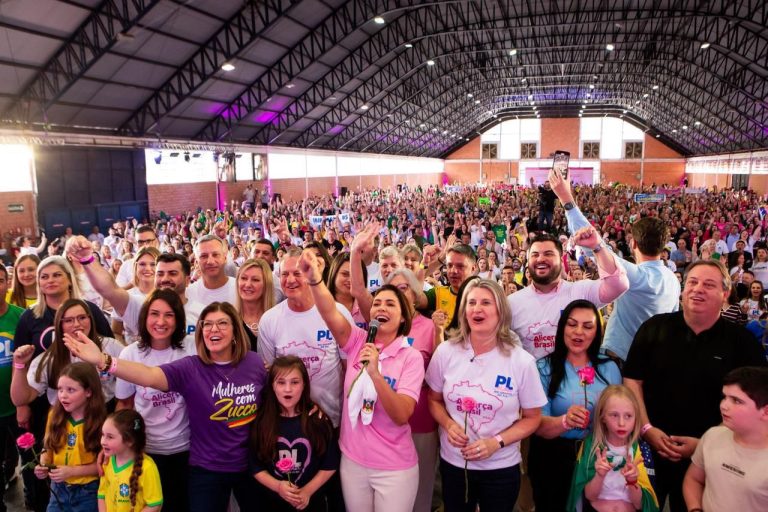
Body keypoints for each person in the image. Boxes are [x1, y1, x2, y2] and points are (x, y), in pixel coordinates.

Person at [64, 302, 267, 512]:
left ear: (235, 330)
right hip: (207, 469)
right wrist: (103, 360)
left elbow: (269, 409)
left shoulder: (254, 363)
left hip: (250, 465)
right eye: (207, 324)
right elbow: (149, 375)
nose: (214, 329)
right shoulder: (191, 368)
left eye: (222, 323)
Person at [623, 260, 767, 512]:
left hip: (711, 458)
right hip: (649, 447)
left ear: (725, 293)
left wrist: (706, 444)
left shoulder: (743, 342)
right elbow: (633, 380)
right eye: (692, 282)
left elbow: (756, 400)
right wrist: (646, 429)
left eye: (708, 284)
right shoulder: (654, 327)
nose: (697, 289)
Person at [298, 250, 425, 512]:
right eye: (377, 303)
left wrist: (375, 374)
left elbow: (401, 415)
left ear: (403, 317)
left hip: (393, 468)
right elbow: (329, 312)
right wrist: (314, 280)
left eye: (391, 304)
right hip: (353, 462)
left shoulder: (410, 357)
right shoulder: (357, 340)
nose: (381, 308)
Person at [426, 279, 547, 512]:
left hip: (501, 469)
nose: (477, 309)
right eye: (471, 303)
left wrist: (496, 442)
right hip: (455, 466)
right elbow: (433, 399)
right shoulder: (445, 352)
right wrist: (448, 424)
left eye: (485, 303)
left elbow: (533, 418)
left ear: (500, 310)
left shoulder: (521, 361)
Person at [550, 169, 680, 363]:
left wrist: (567, 200)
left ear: (633, 243)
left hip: (621, 360)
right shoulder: (673, 281)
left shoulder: (635, 276)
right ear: (663, 246)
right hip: (654, 361)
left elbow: (594, 246)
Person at [528, 299, 622, 510]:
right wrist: (565, 421)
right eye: (572, 324)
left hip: (597, 458)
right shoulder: (543, 367)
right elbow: (537, 424)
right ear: (562, 328)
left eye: (587, 326)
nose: (578, 332)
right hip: (553, 458)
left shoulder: (609, 368)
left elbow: (620, 417)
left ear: (597, 332)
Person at [114, 289, 196, 512]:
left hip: (187, 450)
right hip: (147, 451)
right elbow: (124, 405)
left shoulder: (192, 347)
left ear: (178, 319)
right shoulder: (130, 354)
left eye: (169, 315)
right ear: (144, 317)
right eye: (154, 314)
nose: (161, 322)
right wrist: (115, 443)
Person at [259, 247, 354, 429]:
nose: (290, 280)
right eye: (285, 274)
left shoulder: (338, 313)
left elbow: (349, 368)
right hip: (289, 421)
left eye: (297, 273)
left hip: (332, 420)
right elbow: (270, 375)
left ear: (310, 274)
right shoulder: (269, 320)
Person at [508, 230, 628, 360]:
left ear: (561, 260)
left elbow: (618, 285)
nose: (541, 259)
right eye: (535, 255)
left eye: (548, 254)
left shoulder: (581, 291)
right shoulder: (511, 303)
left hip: (576, 372)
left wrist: (597, 246)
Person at [250, 356, 339, 511]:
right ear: (272, 386)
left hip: (312, 504)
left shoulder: (318, 421)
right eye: (281, 382)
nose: (288, 389)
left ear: (304, 385)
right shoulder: (261, 423)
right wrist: (278, 486)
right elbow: (255, 467)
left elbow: (330, 464)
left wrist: (307, 491)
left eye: (295, 382)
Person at [683, 366, 768, 511]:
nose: (723, 406)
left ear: (766, 412)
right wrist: (695, 509)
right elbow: (693, 480)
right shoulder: (712, 436)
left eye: (736, 401)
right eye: (724, 397)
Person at [11, 299, 123, 407]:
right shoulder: (48, 359)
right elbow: (21, 400)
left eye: (82, 318)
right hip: (64, 416)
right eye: (69, 320)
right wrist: (19, 365)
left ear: (91, 320)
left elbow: (129, 382)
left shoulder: (111, 346)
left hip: (105, 410)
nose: (77, 324)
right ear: (60, 326)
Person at [567, 385, 659, 512]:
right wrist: (599, 475)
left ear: (636, 419)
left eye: (628, 416)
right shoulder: (593, 447)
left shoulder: (639, 451)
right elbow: (589, 496)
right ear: (602, 417)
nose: (621, 423)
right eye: (614, 415)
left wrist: (632, 482)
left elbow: (639, 504)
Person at [34, 363, 106, 512]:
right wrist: (43, 465)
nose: (63, 395)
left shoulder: (101, 423)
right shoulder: (54, 416)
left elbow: (103, 466)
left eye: (70, 390)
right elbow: (47, 447)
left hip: (88, 491)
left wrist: (72, 471)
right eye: (60, 389)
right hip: (58, 489)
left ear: (88, 391)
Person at [98, 409, 163, 512]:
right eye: (103, 435)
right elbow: (101, 494)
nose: (103, 441)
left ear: (129, 441)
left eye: (110, 437)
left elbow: (155, 505)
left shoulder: (147, 467)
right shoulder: (108, 461)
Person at [0, 265, 23, 511]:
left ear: (7, 284)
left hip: (18, 406)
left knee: (26, 458)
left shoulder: (20, 316)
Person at [111, 247, 159, 344]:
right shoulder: (125, 297)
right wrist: (126, 349)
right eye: (142, 264)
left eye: (153, 264)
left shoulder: (169, 296)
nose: (147, 268)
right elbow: (116, 332)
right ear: (135, 267)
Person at [236, 258, 276, 348]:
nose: (248, 284)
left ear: (266, 284)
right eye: (243, 278)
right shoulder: (229, 320)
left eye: (255, 280)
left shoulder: (277, 320)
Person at [186, 235, 237, 305]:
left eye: (215, 255)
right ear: (196, 262)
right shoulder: (188, 294)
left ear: (225, 259)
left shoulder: (240, 288)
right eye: (204, 256)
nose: (210, 261)